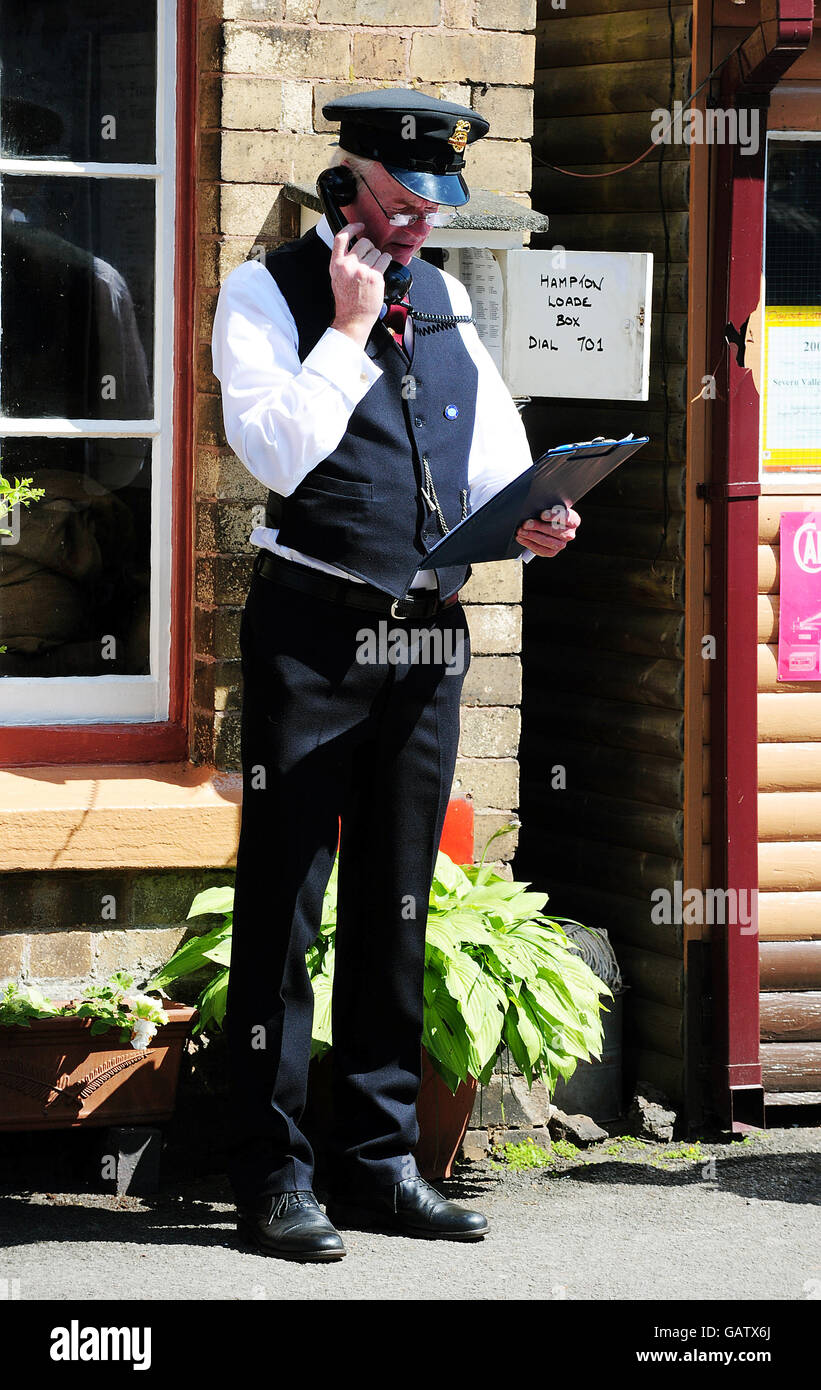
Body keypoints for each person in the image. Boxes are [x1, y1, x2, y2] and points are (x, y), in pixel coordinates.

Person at [211, 88, 580, 1262]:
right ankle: (272, 1174)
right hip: (311, 630)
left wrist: (532, 516)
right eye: (406, 204)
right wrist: (346, 330)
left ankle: (376, 1164)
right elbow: (270, 450)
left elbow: (490, 451)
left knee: (396, 899)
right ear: (346, 184)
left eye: (435, 208)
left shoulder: (450, 295)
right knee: (282, 906)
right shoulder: (262, 293)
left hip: (425, 637)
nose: (421, 227)